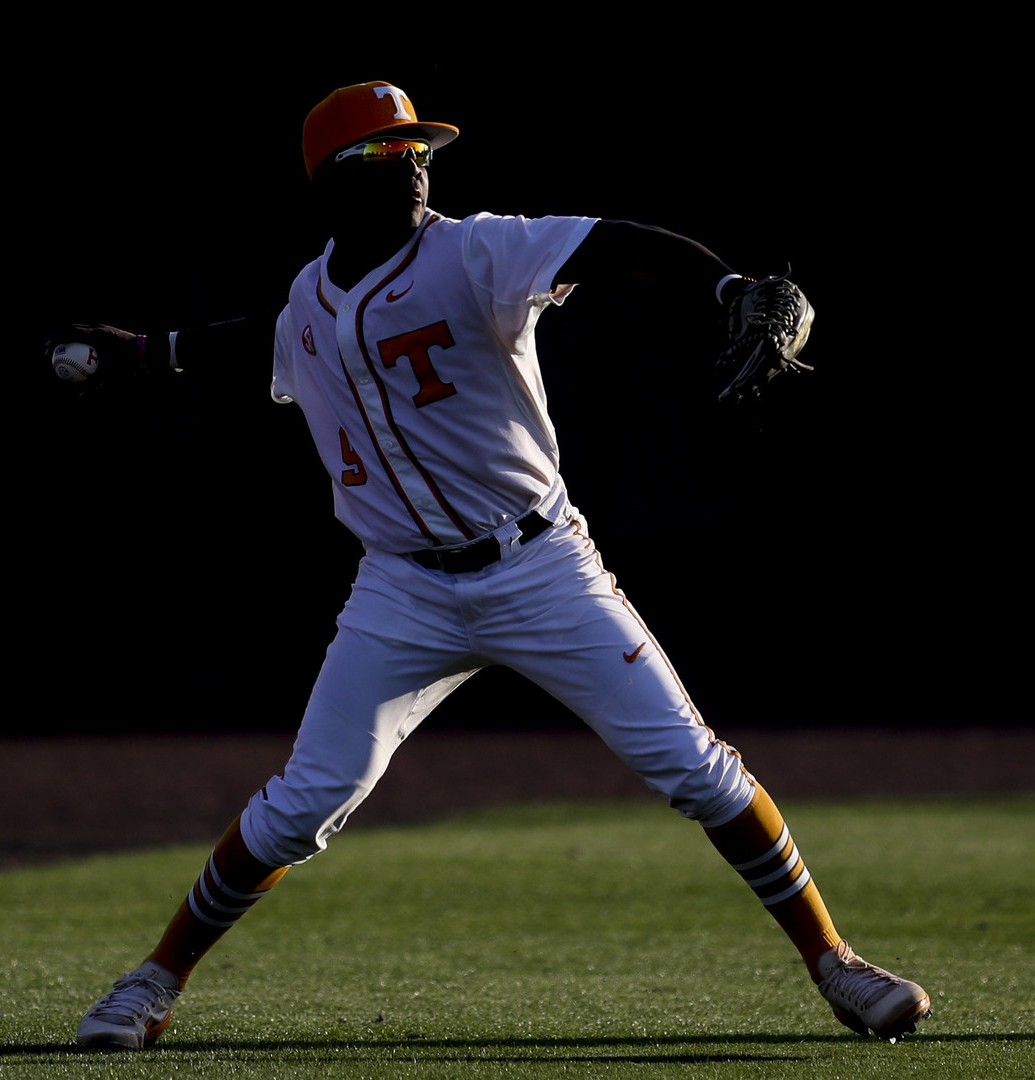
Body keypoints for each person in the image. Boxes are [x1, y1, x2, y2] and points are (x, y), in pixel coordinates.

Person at [68, 80, 931, 1049]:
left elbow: (611, 243)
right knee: (302, 805)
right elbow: (262, 344)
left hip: (538, 563)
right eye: (389, 151)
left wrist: (729, 289)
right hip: (401, 588)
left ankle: (836, 963)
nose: (416, 163)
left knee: (695, 768)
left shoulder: (473, 250)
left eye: (419, 148)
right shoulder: (310, 299)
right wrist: (143, 353)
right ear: (335, 178)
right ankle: (153, 982)